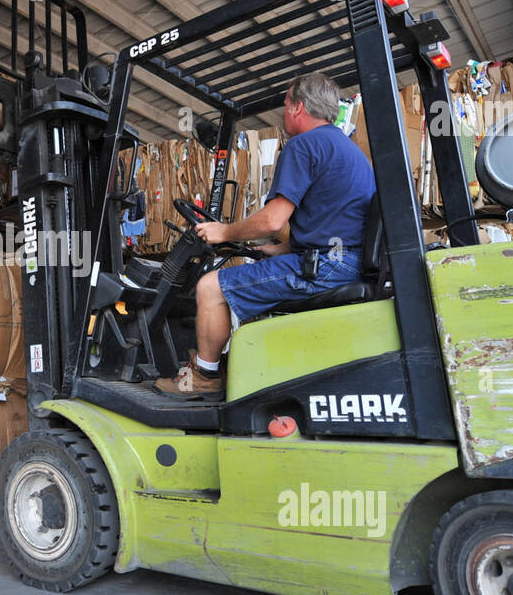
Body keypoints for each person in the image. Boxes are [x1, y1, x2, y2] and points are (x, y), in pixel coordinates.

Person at [155, 72, 376, 398]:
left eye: (286, 104)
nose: (284, 112)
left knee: (210, 287)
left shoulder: (303, 146)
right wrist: (281, 249)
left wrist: (223, 231)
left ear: (298, 108)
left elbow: (272, 221)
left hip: (326, 268)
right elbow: (335, 221)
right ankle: (233, 364)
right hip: (344, 262)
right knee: (243, 283)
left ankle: (204, 376)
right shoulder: (349, 150)